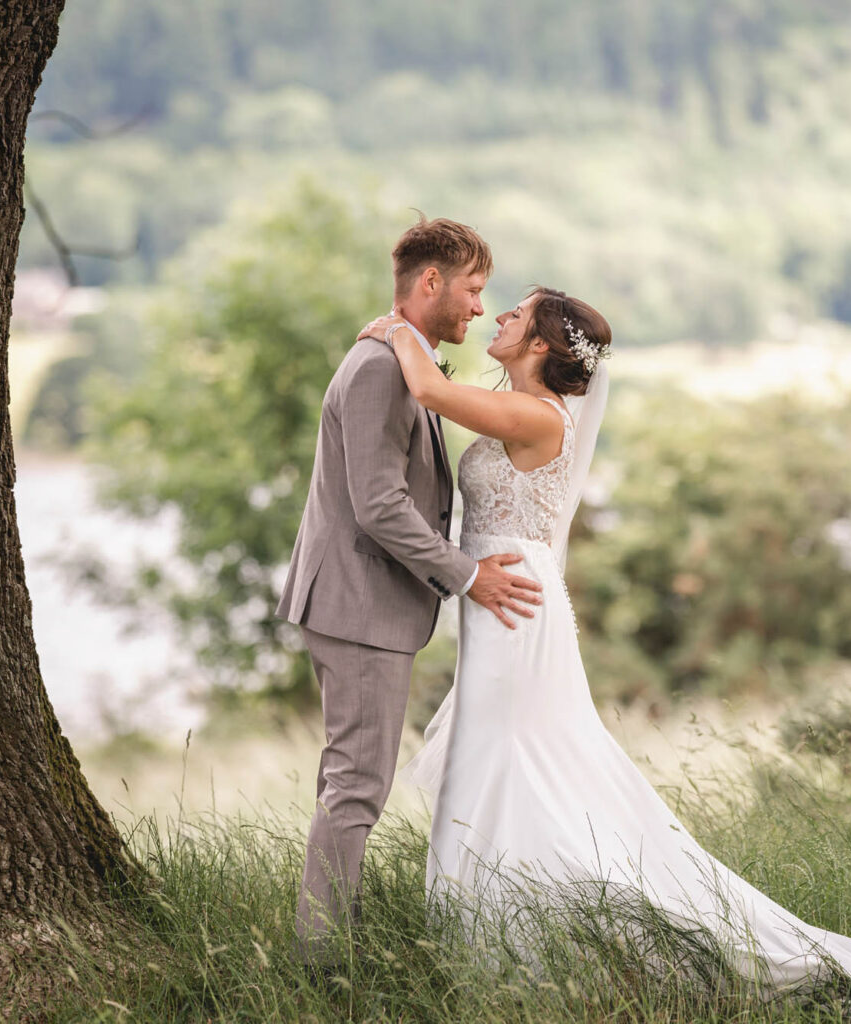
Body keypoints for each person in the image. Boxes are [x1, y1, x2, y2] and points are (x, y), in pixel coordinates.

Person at [357, 288, 851, 1021]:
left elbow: (428, 388)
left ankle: (513, 935)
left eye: (515, 314)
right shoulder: (528, 408)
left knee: (505, 760)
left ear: (542, 344)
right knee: (497, 761)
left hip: (513, 606)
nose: (500, 318)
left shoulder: (538, 414)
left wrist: (394, 328)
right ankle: (503, 932)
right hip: (500, 599)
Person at [275, 216, 543, 966]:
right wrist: (468, 575)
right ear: (432, 282)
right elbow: (379, 505)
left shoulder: (403, 359)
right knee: (358, 787)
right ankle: (321, 965)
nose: (480, 309)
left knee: (352, 782)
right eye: (473, 289)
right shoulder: (377, 368)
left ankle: (329, 946)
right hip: (356, 608)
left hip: (365, 606)